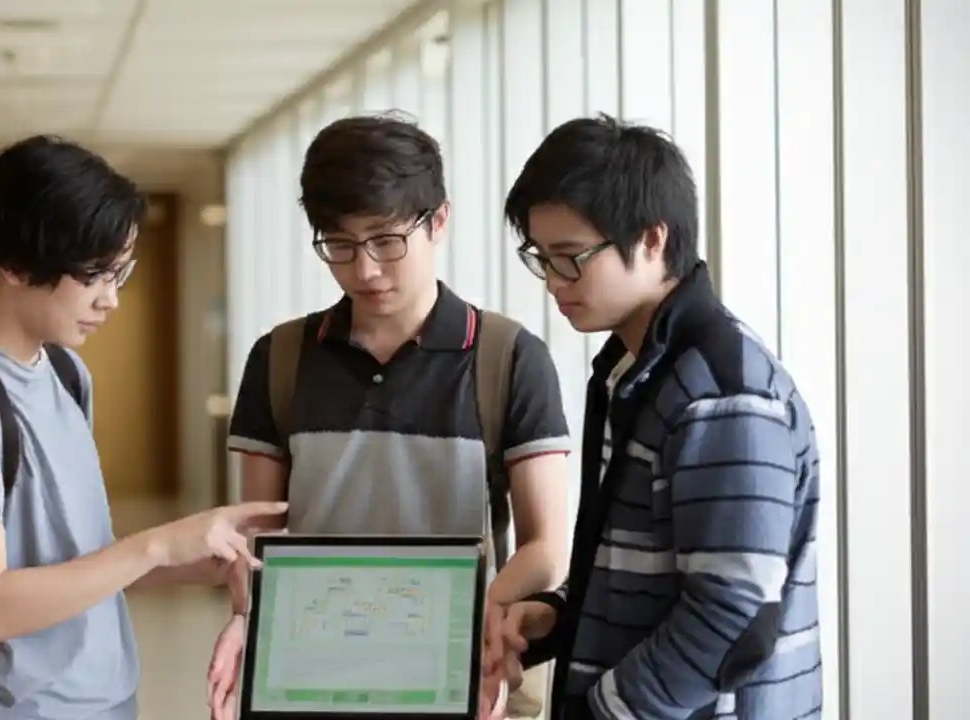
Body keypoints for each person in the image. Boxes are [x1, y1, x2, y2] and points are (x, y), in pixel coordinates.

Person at [0, 135, 287, 719]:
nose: (111, 300)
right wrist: (153, 544)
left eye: (120, 273)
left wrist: (191, 561)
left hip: (101, 702)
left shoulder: (65, 373)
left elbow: (75, 563)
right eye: (95, 274)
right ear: (17, 264)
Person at [206, 114, 574, 719]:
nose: (366, 270)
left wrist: (469, 614)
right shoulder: (280, 358)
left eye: (386, 240)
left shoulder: (508, 358)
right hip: (312, 679)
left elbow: (546, 544)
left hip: (456, 678)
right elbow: (258, 533)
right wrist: (250, 617)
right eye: (341, 246)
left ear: (439, 222)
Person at [482, 114, 823, 719]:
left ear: (652, 239)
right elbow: (655, 572)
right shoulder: (639, 374)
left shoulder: (723, 393)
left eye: (571, 257)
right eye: (542, 258)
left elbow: (734, 614)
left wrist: (603, 712)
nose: (554, 282)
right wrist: (561, 617)